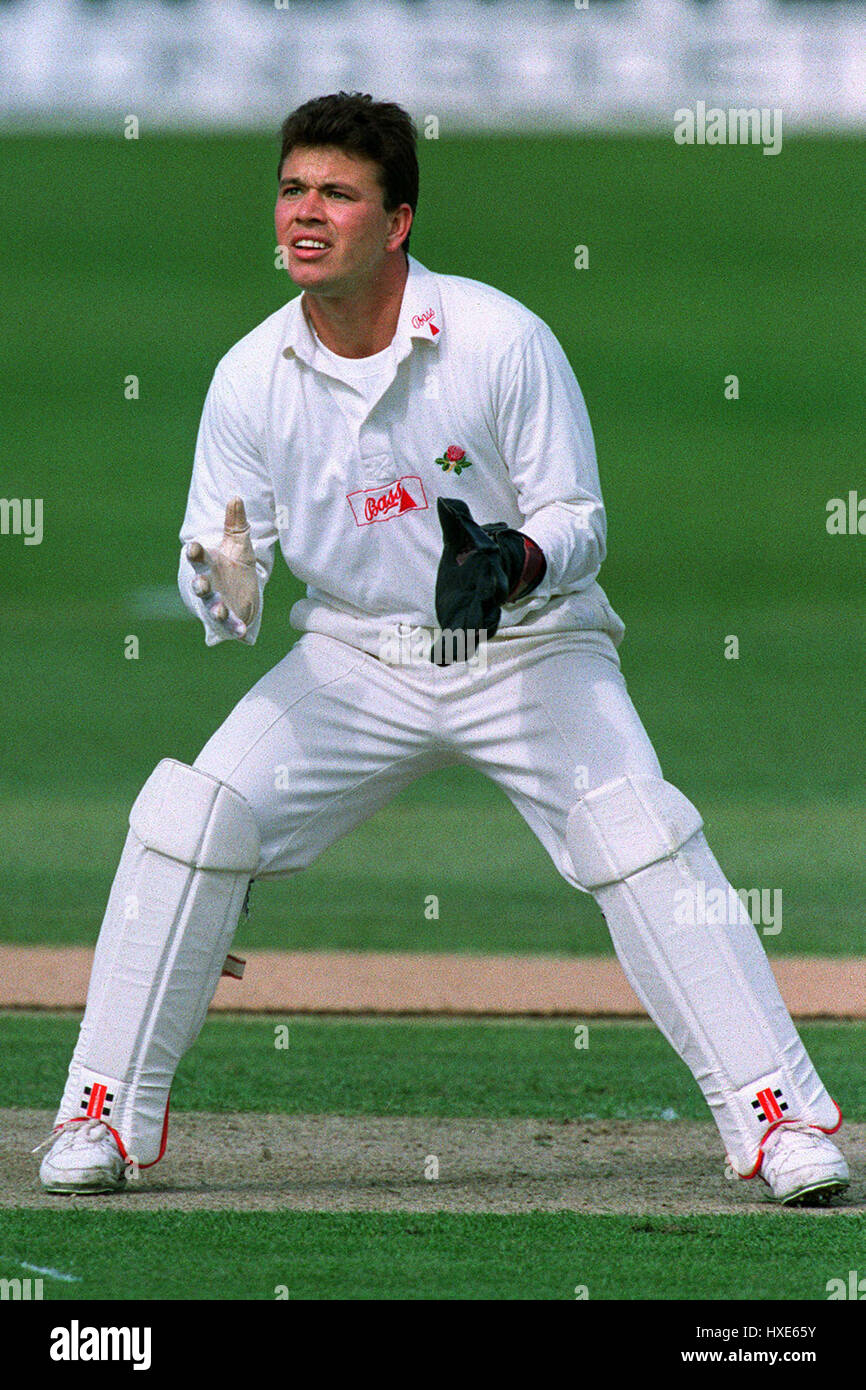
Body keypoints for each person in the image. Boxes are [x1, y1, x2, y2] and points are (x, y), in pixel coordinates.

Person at [37, 92, 848, 1206]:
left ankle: (777, 1118)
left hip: (528, 647)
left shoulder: (499, 338)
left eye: (335, 193)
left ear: (398, 219)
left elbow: (580, 518)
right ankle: (99, 1115)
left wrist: (509, 561)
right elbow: (228, 576)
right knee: (189, 816)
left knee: (635, 828)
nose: (304, 213)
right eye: (290, 189)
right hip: (353, 659)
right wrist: (217, 580)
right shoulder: (248, 378)